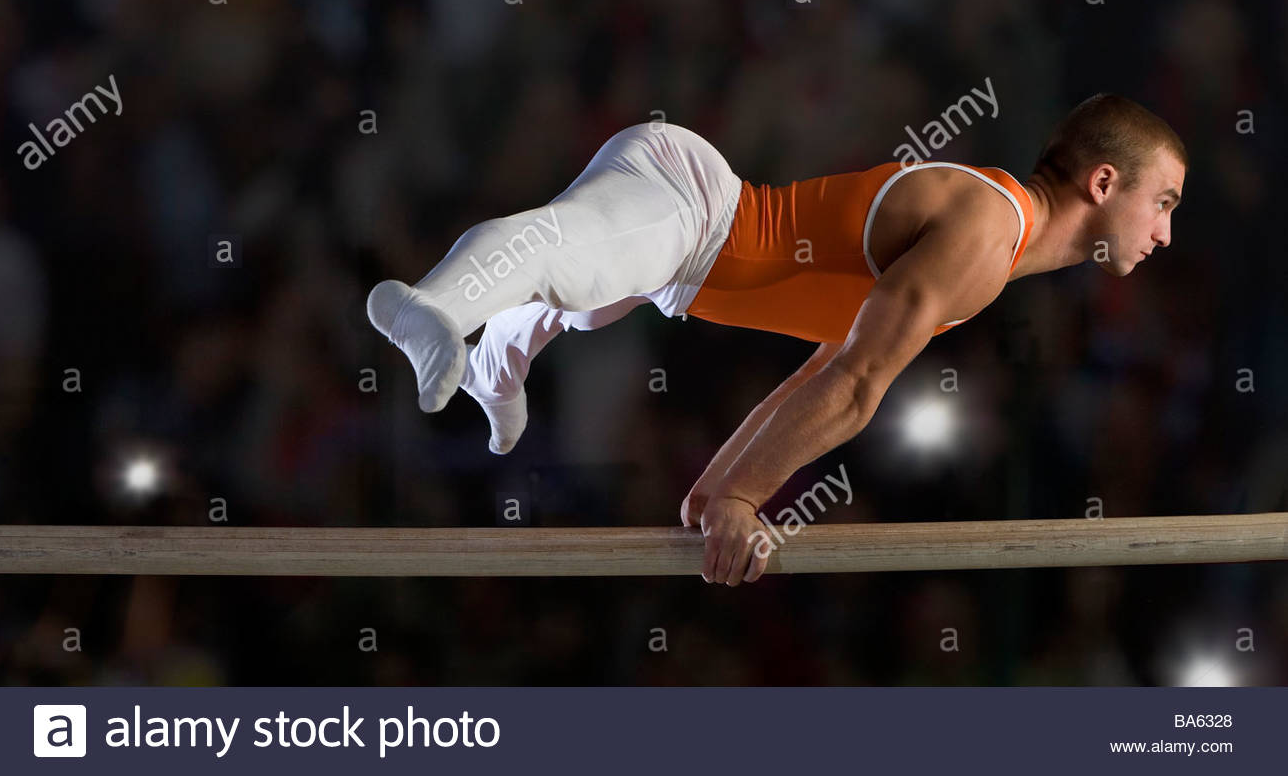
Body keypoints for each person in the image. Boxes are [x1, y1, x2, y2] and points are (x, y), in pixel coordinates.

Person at [367, 93, 1187, 585]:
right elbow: (860, 384)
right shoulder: (984, 228)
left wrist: (720, 490)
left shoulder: (994, 253)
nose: (1166, 234)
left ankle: (493, 365)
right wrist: (744, 497)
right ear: (1103, 182)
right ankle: (426, 308)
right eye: (1165, 202)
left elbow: (828, 361)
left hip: (680, 256)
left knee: (581, 304)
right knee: (569, 264)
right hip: (692, 208)